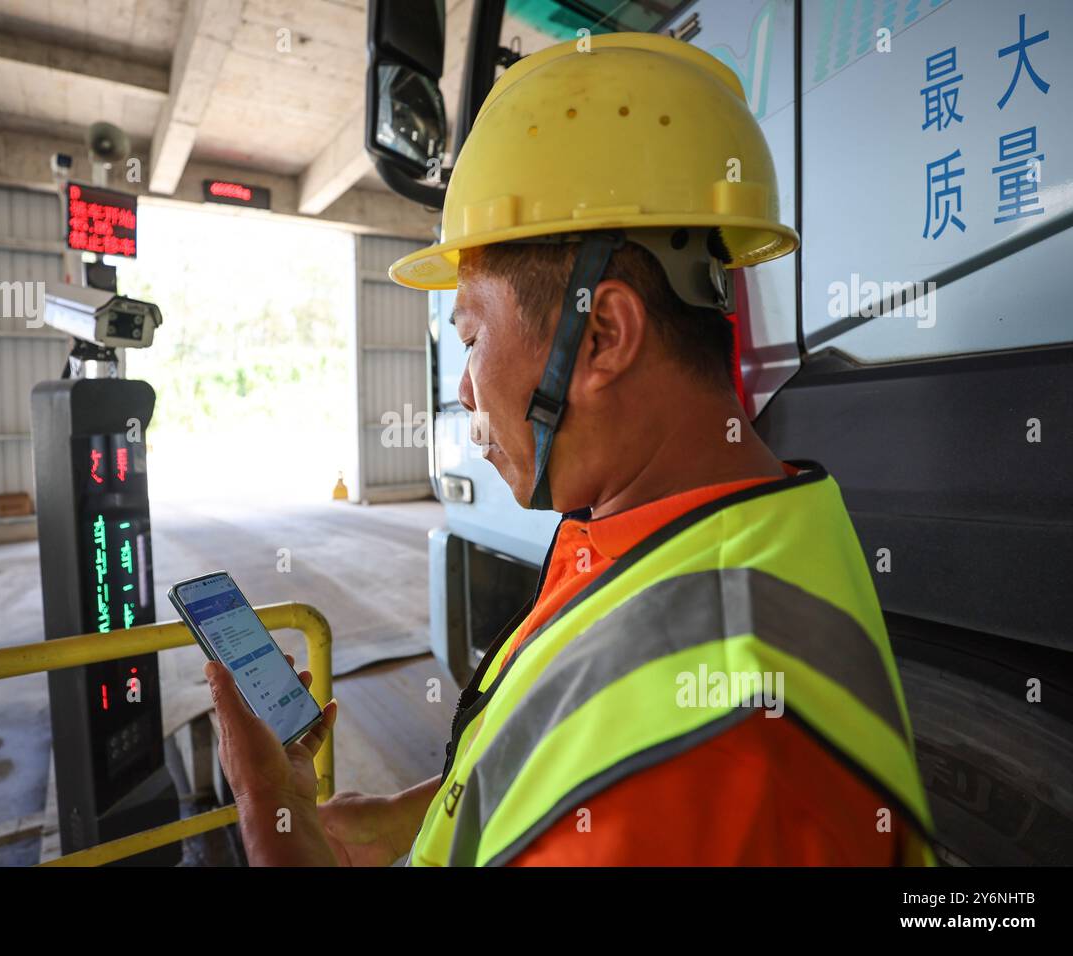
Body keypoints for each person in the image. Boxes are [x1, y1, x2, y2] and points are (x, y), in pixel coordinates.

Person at [206, 31, 936, 866]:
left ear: (604, 335)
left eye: (472, 333)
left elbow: (623, 793)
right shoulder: (723, 529)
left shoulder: (699, 751)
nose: (464, 389)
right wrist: (418, 818)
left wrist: (273, 822)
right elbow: (557, 771)